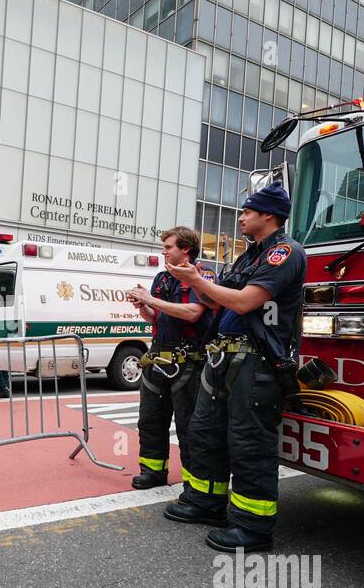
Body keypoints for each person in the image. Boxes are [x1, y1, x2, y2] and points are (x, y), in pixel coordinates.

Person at [161, 183, 306, 553]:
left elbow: (243, 303)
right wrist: (195, 283)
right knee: (206, 431)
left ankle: (252, 527)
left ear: (268, 215)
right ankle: (205, 502)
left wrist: (194, 280)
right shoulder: (248, 257)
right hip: (224, 356)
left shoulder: (284, 252)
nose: (240, 217)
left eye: (247, 211)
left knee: (249, 443)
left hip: (255, 359)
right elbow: (216, 302)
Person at [125, 227, 217, 489]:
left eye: (168, 247)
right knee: (150, 420)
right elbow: (158, 318)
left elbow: (192, 313)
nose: (163, 251)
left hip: (188, 362)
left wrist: (151, 298)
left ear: (185, 249)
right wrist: (144, 307)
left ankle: (194, 483)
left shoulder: (203, 274)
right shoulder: (162, 278)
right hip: (157, 360)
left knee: (189, 427)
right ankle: (152, 471)